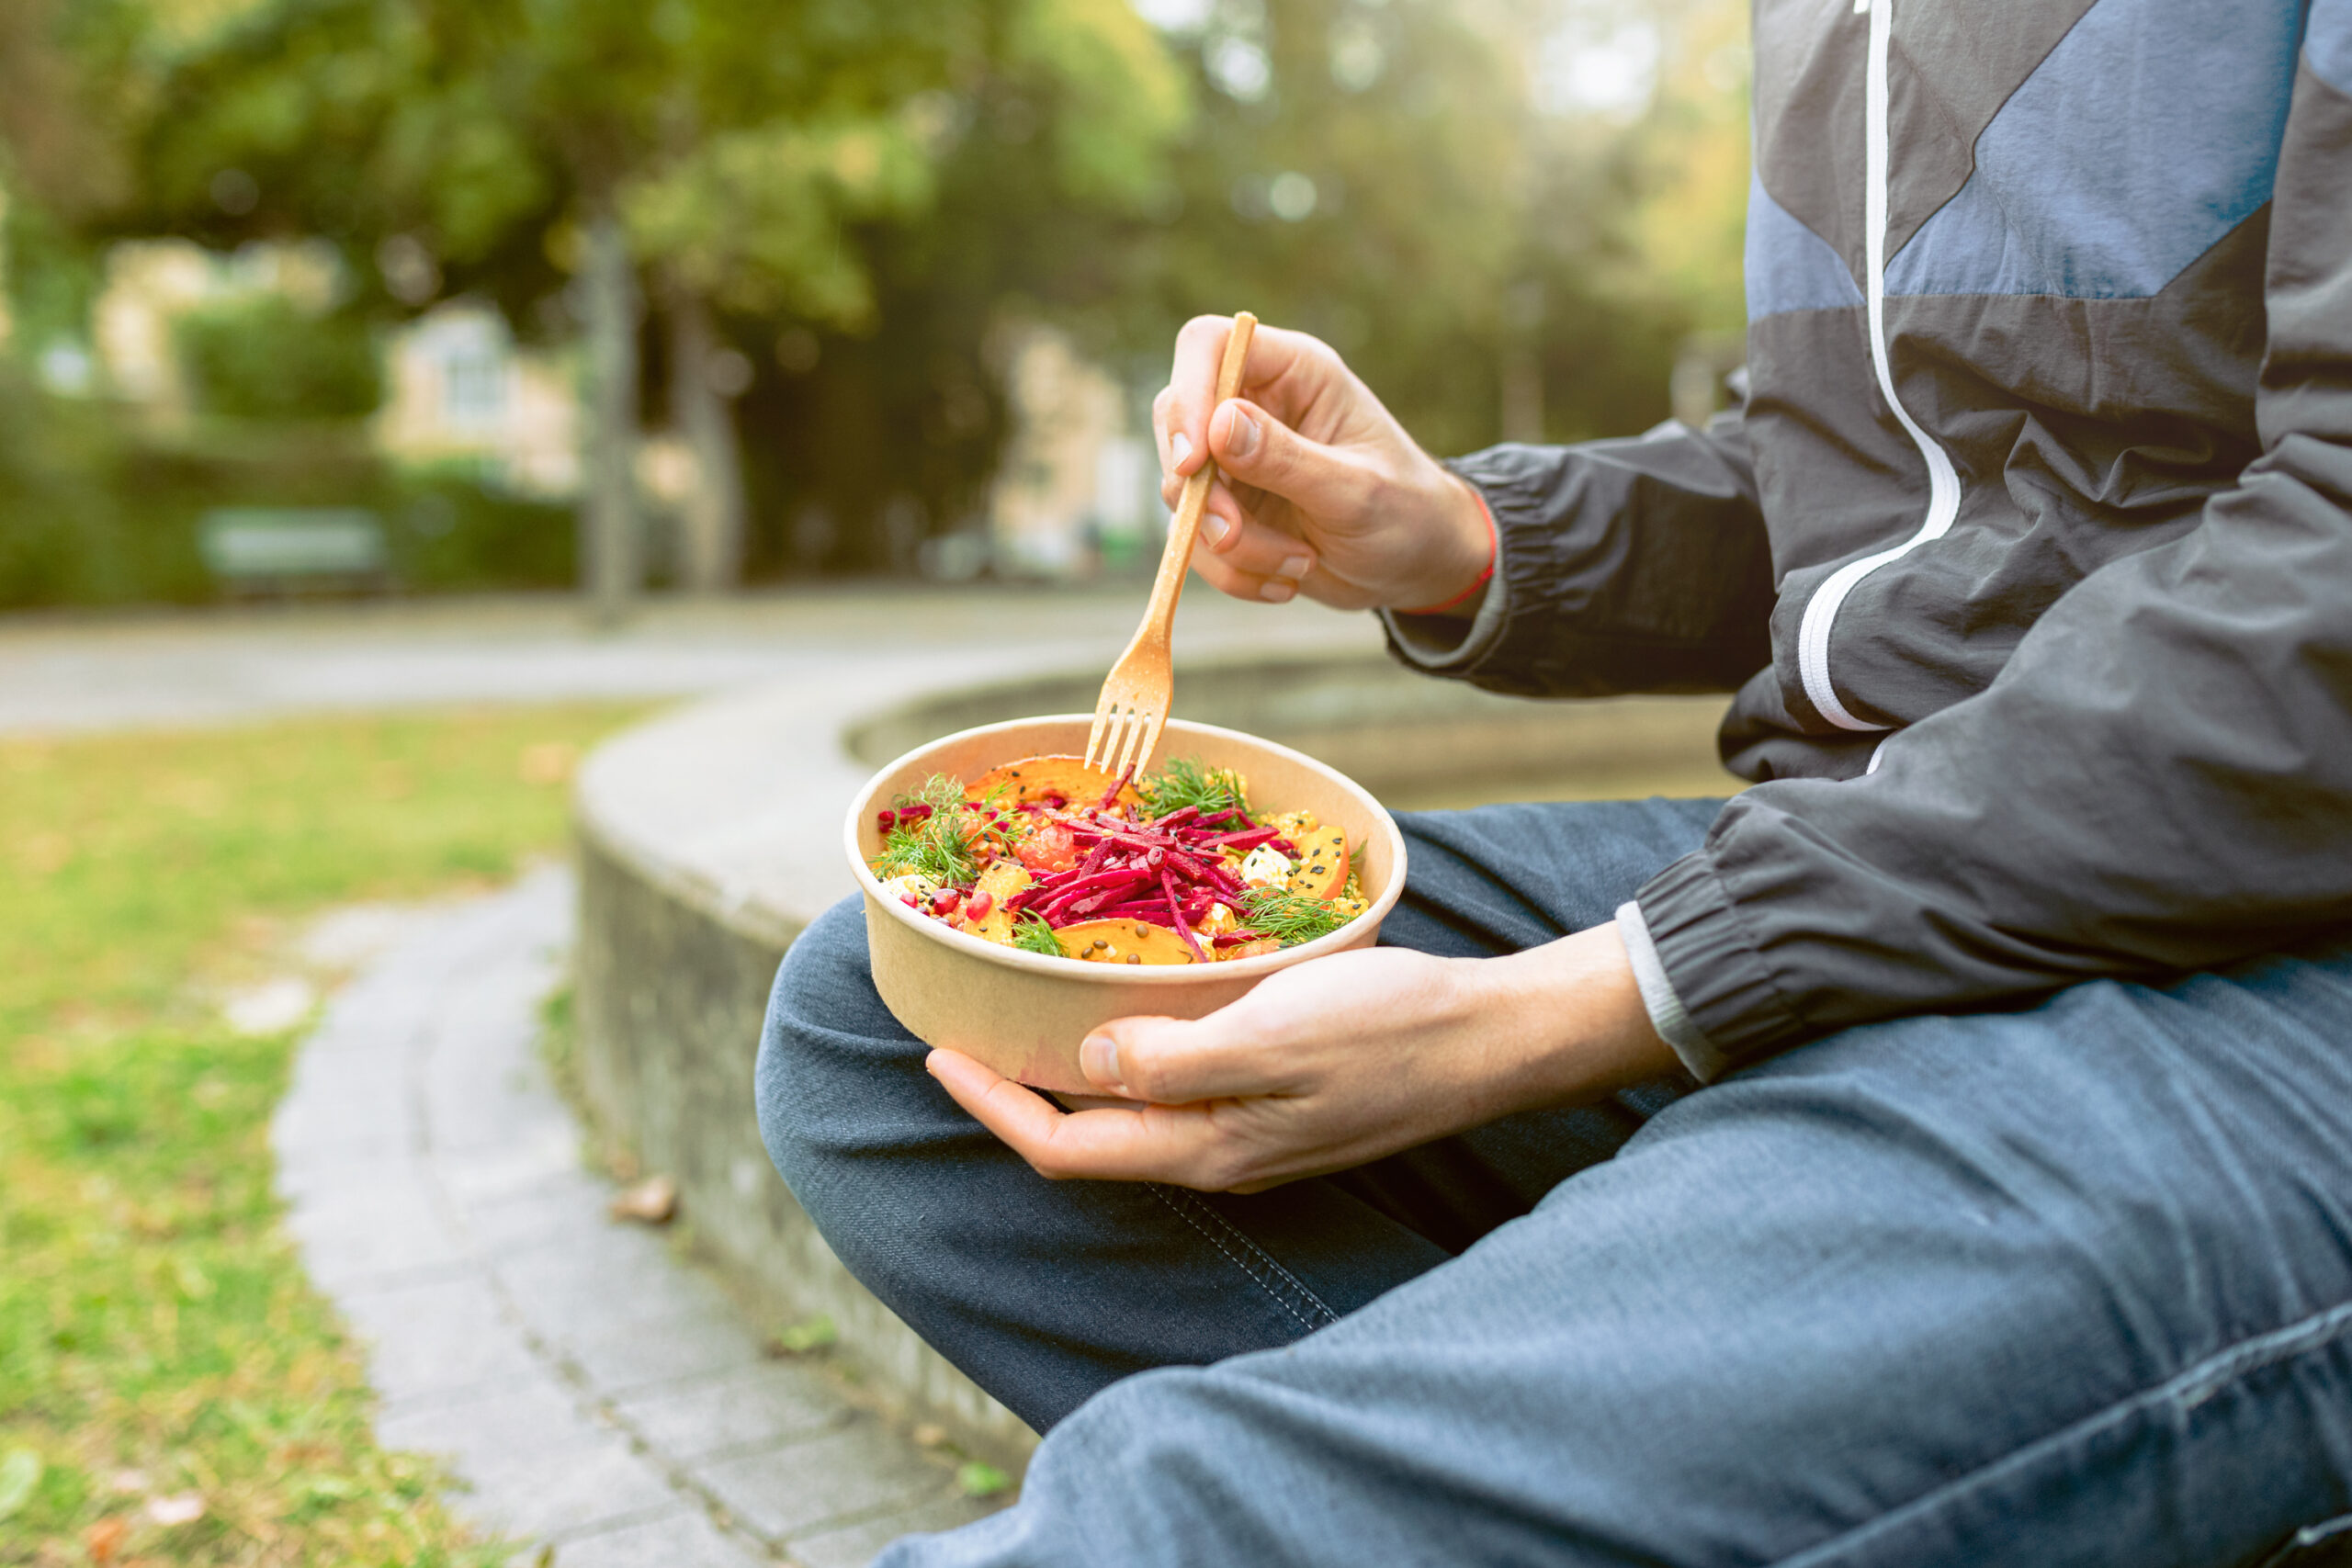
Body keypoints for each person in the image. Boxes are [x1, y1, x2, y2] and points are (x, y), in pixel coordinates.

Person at [758, 0, 2352, 1561]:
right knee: (901, 1021)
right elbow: (1881, 502)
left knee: (1181, 1518)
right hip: (1860, 844)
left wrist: (1593, 999)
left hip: (2253, 947)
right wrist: (1459, 538)